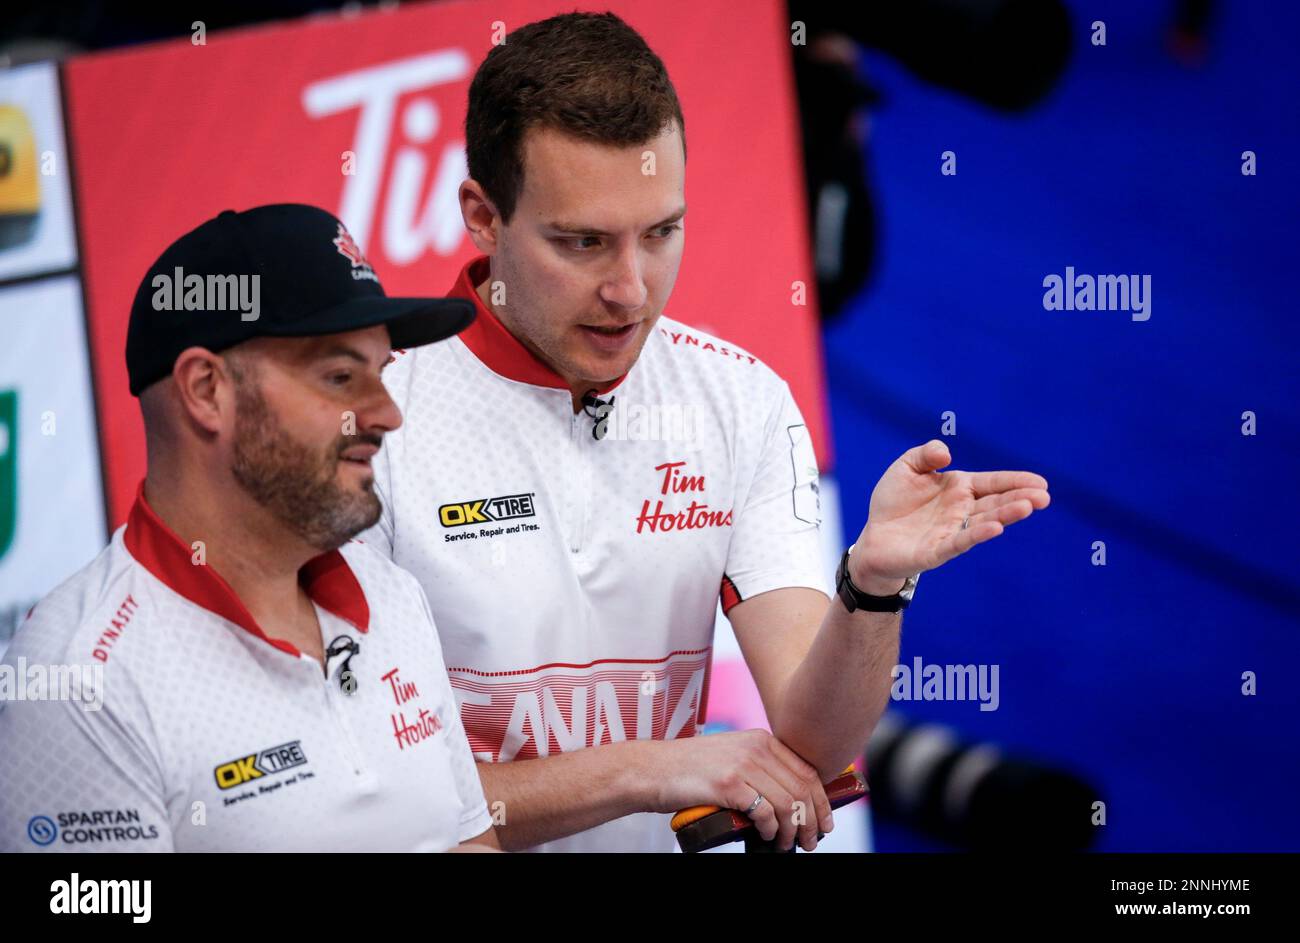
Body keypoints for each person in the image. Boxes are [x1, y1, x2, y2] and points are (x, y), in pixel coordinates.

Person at [365, 12, 1050, 852]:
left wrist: (871, 590)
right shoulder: (370, 425)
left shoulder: (740, 399)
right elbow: (378, 802)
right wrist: (653, 770)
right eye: (582, 243)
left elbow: (814, 744)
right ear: (482, 216)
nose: (630, 289)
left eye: (661, 233)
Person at [0, 203, 498, 852]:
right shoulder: (78, 679)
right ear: (206, 390)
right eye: (342, 376)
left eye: (382, 373)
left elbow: (471, 842)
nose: (386, 413)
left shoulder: (390, 592)